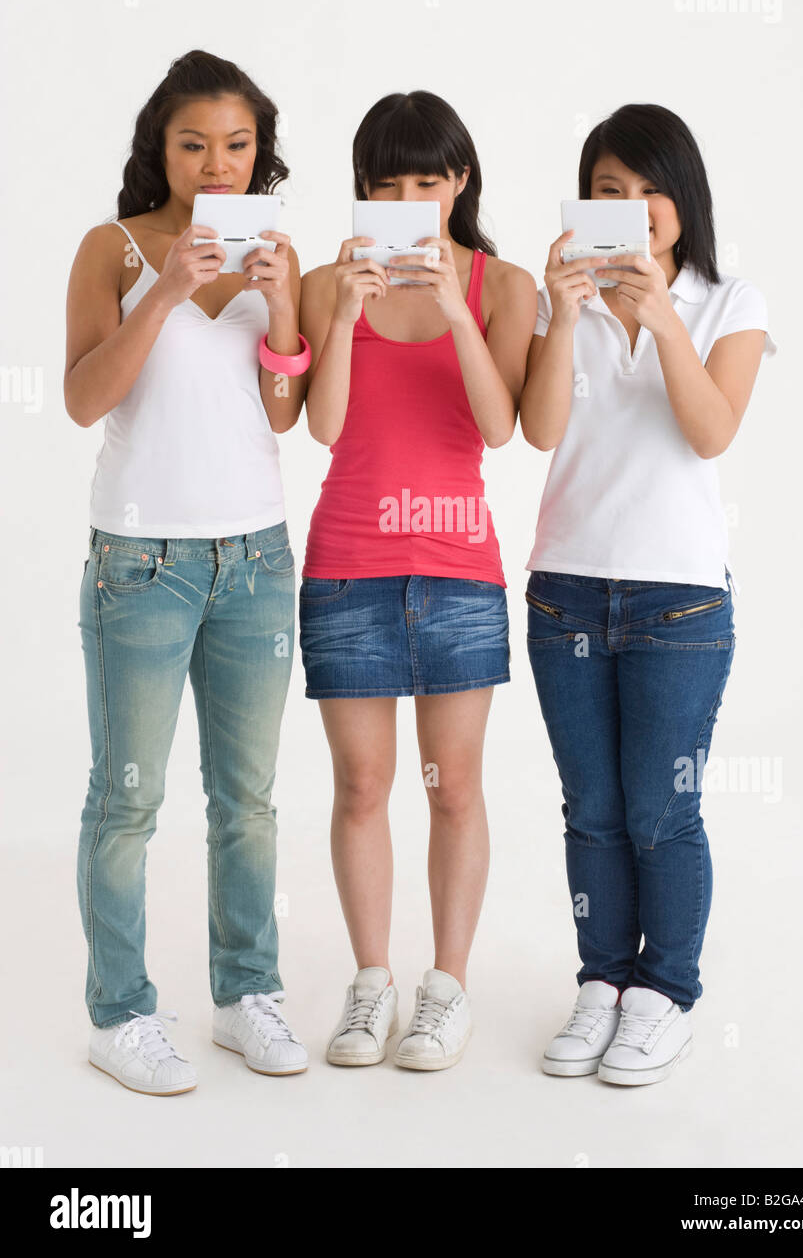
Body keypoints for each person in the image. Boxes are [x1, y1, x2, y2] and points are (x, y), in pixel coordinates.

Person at [65, 49, 311, 1095]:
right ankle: (119, 1013)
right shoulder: (112, 247)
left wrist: (285, 308)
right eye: (194, 144)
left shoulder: (277, 251)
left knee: (246, 799)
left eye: (238, 145)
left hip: (256, 555)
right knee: (127, 800)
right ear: (158, 149)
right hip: (142, 561)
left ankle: (243, 992)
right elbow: (83, 398)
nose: (217, 164)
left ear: (261, 152)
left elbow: (286, 415)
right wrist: (162, 293)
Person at [519, 103, 775, 1086]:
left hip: (677, 605)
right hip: (565, 591)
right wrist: (565, 309)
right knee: (588, 807)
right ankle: (601, 979)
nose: (630, 208)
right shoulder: (564, 303)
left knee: (659, 811)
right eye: (607, 192)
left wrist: (660, 314)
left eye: (647, 190)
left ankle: (662, 990)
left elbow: (709, 431)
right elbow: (539, 432)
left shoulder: (727, 300)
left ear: (681, 199)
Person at [299, 90, 537, 1070]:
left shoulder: (502, 284)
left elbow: (498, 425)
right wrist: (349, 311)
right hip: (348, 566)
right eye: (387, 182)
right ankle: (370, 985)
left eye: (426, 181)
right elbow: (321, 425)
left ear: (459, 182)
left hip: (457, 571)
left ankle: (446, 987)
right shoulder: (323, 283)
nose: (408, 198)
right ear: (362, 189)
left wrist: (452, 311)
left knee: (454, 788)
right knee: (361, 786)